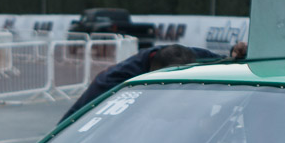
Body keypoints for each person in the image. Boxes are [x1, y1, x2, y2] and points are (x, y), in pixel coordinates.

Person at [59, 40, 245, 120]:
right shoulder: (112, 82)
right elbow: (73, 121)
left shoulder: (194, 58)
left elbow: (230, 60)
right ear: (152, 77)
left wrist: (235, 52)